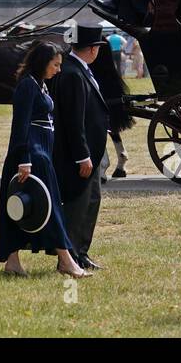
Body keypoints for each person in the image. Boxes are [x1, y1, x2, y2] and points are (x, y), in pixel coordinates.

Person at [0, 42, 90, 278]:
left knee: (29, 207)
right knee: (48, 209)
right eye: (55, 65)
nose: (58, 70)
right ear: (42, 62)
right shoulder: (27, 86)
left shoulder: (40, 85)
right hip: (31, 155)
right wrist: (24, 159)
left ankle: (12, 262)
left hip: (42, 153)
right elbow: (21, 126)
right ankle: (66, 260)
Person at [50, 24, 110, 271]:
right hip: (82, 155)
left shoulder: (79, 70)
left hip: (92, 153)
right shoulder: (73, 74)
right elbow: (74, 120)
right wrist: (82, 155)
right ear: (93, 49)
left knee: (91, 201)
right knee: (78, 205)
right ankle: (70, 256)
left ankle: (81, 252)